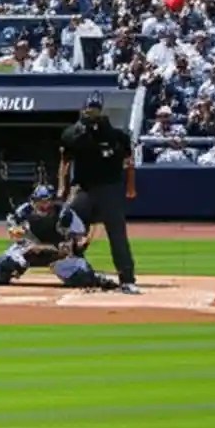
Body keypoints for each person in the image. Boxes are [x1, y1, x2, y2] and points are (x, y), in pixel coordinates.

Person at [58, 92, 139, 294]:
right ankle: (77, 271)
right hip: (84, 188)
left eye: (95, 109)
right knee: (71, 229)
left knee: (117, 234)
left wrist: (130, 187)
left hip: (109, 187)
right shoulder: (74, 134)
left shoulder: (116, 136)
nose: (91, 113)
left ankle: (127, 277)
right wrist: (63, 187)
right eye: (88, 109)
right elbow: (65, 162)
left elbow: (129, 162)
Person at [0, 185, 120, 290]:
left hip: (58, 254)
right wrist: (21, 236)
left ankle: (96, 279)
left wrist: (77, 244)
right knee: (3, 265)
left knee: (82, 274)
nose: (43, 206)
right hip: (29, 251)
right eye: (39, 201)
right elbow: (14, 230)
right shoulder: (23, 212)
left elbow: (79, 238)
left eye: (47, 201)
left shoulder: (65, 215)